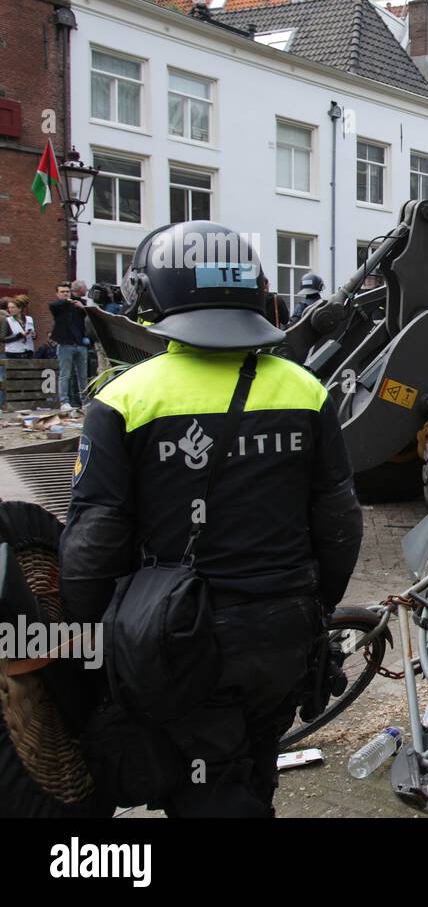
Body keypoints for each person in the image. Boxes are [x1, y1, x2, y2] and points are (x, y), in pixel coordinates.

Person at [60, 220, 364, 817]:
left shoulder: (124, 398)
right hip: (284, 635)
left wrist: (88, 646)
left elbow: (93, 543)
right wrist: (313, 607)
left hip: (177, 641)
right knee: (256, 766)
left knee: (205, 789)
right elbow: (340, 522)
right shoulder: (306, 391)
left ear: (153, 299)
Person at [49, 281, 90, 413]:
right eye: (62, 292)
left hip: (80, 344)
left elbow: (90, 315)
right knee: (65, 375)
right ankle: (64, 402)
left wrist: (81, 307)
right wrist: (67, 301)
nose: (65, 294)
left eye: (67, 291)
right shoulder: (58, 306)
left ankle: (85, 402)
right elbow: (53, 306)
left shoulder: (79, 304)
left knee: (83, 375)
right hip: (65, 344)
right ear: (57, 294)